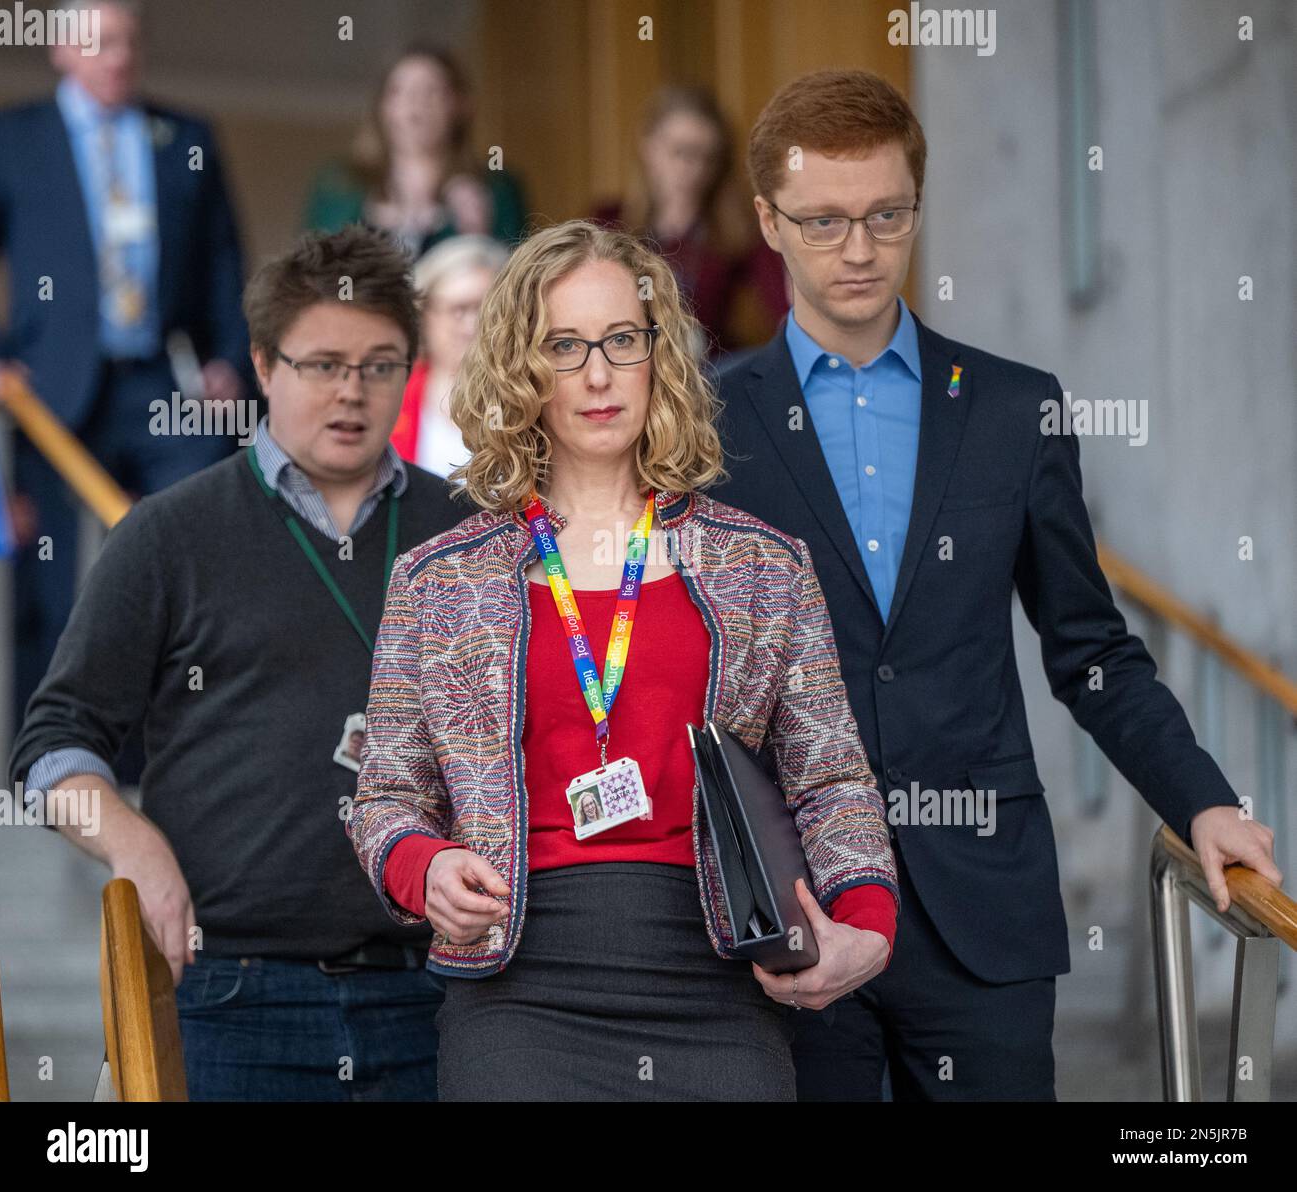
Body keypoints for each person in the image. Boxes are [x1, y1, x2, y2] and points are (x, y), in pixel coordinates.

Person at [708, 69, 1283, 1101]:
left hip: (983, 908)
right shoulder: (705, 421)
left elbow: (1089, 648)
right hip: (791, 903)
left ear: (917, 206)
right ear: (766, 220)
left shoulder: (1017, 409)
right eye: (823, 220)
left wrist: (1199, 798)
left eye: (886, 215)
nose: (857, 248)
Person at [347, 219, 898, 1101]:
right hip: (519, 990)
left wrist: (865, 920)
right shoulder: (439, 579)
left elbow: (830, 775)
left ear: (659, 356)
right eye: (563, 346)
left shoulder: (763, 565)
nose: (598, 374)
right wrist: (424, 866)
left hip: (719, 976)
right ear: (520, 370)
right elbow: (387, 795)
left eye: (621, 341)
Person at [9, 226, 471, 1101]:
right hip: (229, 995)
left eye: (380, 364)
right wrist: (131, 841)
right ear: (263, 365)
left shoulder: (469, 532)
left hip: (435, 992)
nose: (352, 391)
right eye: (322, 363)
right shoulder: (169, 535)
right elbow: (52, 746)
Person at [0, 0, 252, 725]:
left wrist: (228, 362)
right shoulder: (14, 137)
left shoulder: (186, 137)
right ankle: (45, 762)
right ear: (59, 51)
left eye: (129, 41)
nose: (118, 56)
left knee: (185, 560)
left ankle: (162, 757)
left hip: (159, 384)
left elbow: (224, 265)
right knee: (47, 583)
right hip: (48, 393)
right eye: (101, 42)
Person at [591, 85, 786, 357]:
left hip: (707, 375)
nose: (692, 168)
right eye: (679, 151)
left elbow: (784, 312)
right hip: (625, 367)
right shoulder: (609, 223)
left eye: (707, 157)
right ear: (648, 147)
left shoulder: (736, 229)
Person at [305, 42, 528, 257]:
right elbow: (310, 272)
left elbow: (518, 282)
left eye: (431, 90)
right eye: (398, 91)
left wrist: (479, 234)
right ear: (382, 106)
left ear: (460, 105)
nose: (415, 102)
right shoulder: (339, 185)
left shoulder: (498, 189)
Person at [389, 234, 508, 475]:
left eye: (486, 310)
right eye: (459, 310)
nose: (472, 325)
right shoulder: (390, 397)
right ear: (424, 315)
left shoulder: (532, 397)